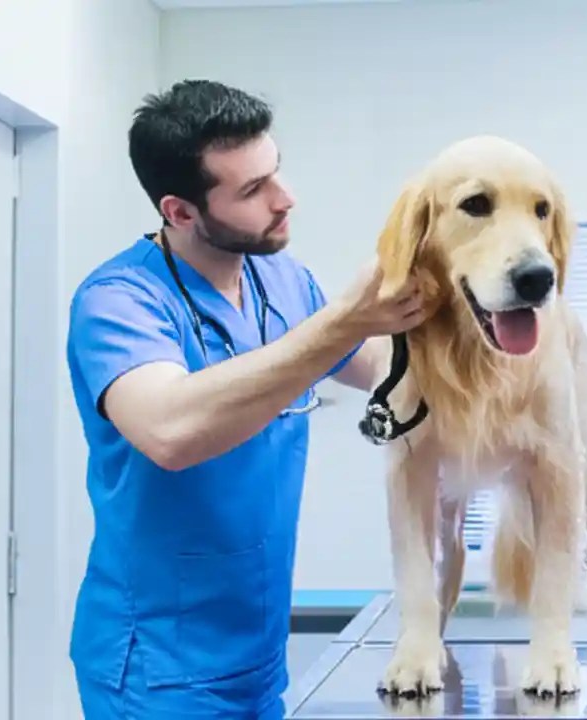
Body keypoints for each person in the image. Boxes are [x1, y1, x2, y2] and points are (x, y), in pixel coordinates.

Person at [65, 79, 433, 718]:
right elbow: (170, 431)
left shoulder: (284, 282)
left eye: (277, 173)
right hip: (156, 672)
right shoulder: (118, 301)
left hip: (259, 659)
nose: (284, 200)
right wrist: (345, 321)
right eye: (252, 190)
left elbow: (384, 369)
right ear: (180, 212)